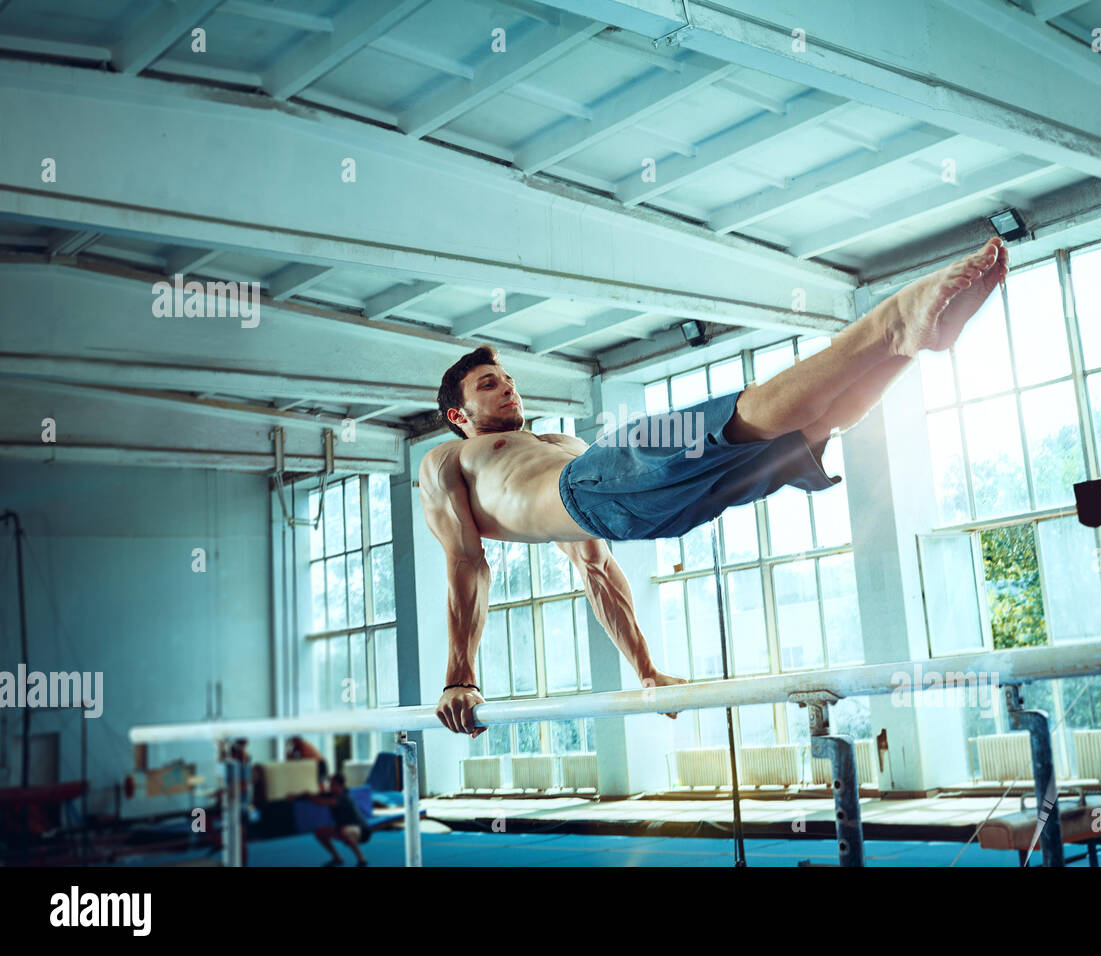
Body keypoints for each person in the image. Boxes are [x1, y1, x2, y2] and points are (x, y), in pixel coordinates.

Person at [422, 237, 1010, 737]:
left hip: (616, 491)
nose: (510, 391)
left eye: (511, 380)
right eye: (490, 384)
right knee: (749, 414)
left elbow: (596, 571)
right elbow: (466, 563)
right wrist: (460, 675)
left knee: (802, 430)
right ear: (457, 413)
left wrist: (646, 670)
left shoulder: (554, 444)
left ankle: (905, 347)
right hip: (604, 489)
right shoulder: (450, 457)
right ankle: (889, 325)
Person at [307, 773, 371, 867]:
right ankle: (337, 858)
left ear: (339, 785)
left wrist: (308, 795)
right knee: (319, 832)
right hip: (343, 828)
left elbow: (322, 802)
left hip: (362, 830)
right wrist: (299, 796)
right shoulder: (332, 795)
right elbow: (318, 797)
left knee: (346, 830)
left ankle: (362, 859)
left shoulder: (344, 797)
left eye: (332, 784)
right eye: (330, 784)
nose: (330, 786)